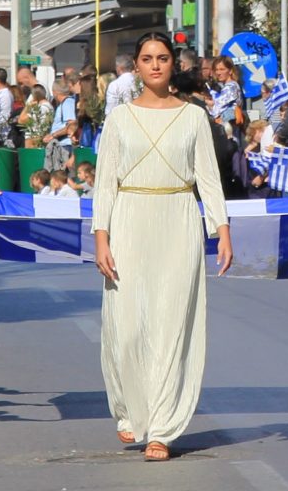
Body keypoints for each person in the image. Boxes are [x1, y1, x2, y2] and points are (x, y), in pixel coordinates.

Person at [93, 32, 232, 461]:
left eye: (163, 58)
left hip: (178, 220)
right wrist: (101, 236)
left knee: (172, 325)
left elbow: (208, 177)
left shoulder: (193, 117)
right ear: (136, 66)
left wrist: (221, 228)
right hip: (129, 220)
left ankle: (163, 429)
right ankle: (131, 411)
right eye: (148, 59)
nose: (155, 65)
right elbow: (105, 182)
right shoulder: (118, 119)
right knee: (128, 327)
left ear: (174, 65)